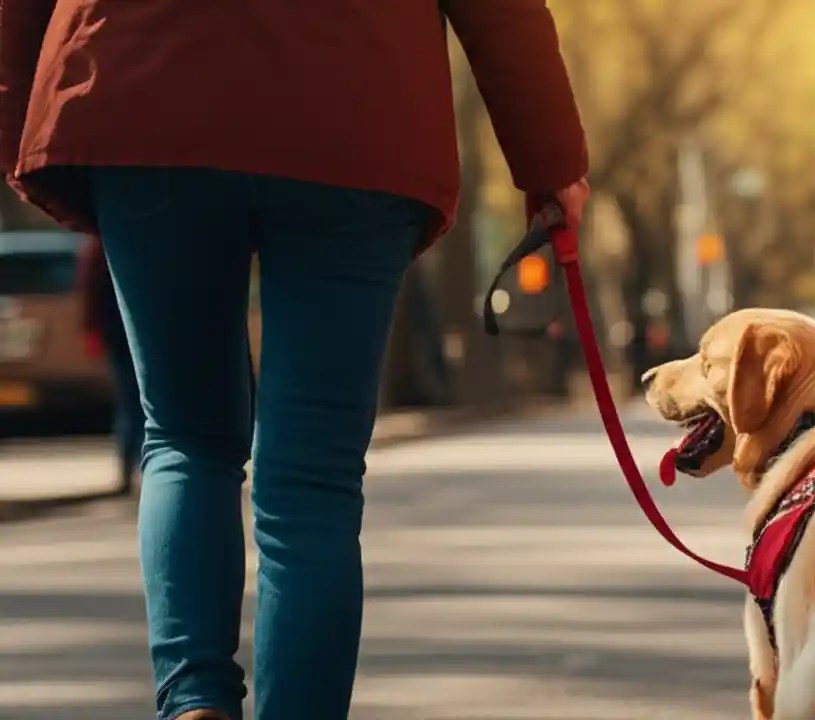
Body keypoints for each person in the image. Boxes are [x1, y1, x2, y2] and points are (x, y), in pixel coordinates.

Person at [0, 2, 589, 719]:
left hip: (144, 85)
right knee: (312, 478)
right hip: (355, 107)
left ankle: (192, 701)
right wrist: (550, 159)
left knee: (184, 437)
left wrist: (15, 122)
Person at [77, 236, 144, 496]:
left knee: (132, 401)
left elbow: (89, 293)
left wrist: (92, 330)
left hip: (118, 331)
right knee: (139, 401)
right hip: (127, 331)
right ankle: (133, 464)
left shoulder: (97, 246)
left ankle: (131, 465)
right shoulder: (99, 248)